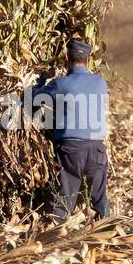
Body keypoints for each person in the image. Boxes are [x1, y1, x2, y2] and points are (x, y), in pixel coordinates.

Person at [31, 39, 109, 221]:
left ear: (66, 57)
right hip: (97, 149)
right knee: (100, 200)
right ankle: (109, 233)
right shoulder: (100, 82)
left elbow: (34, 99)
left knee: (62, 202)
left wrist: (41, 80)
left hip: (70, 151)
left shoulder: (60, 84)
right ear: (88, 59)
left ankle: (56, 238)